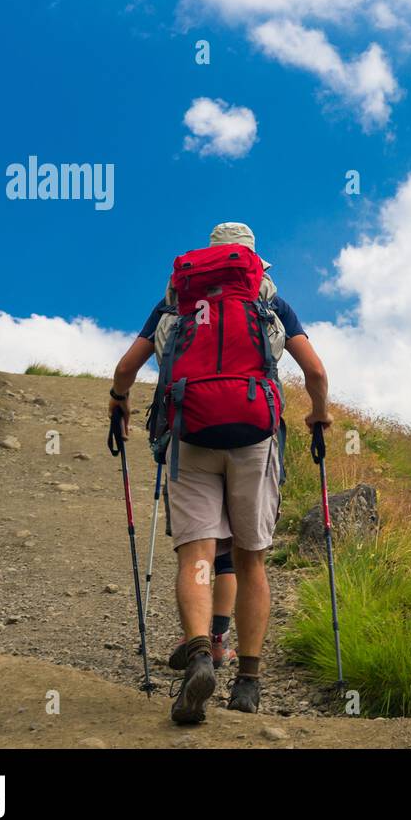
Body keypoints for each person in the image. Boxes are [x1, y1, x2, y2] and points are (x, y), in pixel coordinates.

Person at [109, 222, 331, 723]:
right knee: (250, 560)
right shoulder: (268, 297)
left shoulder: (176, 300)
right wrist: (318, 413)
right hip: (254, 436)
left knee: (198, 555)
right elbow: (315, 371)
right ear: (253, 261)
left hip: (192, 435)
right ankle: (248, 682)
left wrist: (119, 401)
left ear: (207, 259)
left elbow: (126, 369)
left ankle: (200, 656)